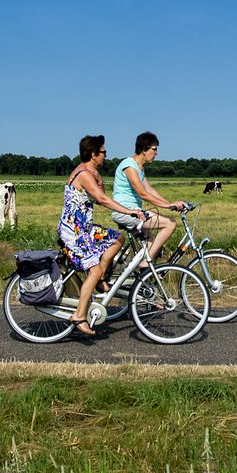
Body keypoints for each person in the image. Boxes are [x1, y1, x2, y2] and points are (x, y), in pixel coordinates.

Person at [61, 135, 147, 336]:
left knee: (118, 238)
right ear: (94, 154)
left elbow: (99, 197)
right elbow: (102, 199)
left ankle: (101, 279)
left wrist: (99, 179)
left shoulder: (90, 172)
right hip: (74, 233)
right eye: (104, 152)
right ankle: (79, 315)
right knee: (94, 270)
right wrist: (129, 211)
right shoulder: (83, 173)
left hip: (84, 229)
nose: (106, 156)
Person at [110, 131, 188, 266]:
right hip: (126, 211)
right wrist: (168, 206)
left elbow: (150, 190)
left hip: (136, 212)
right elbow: (143, 194)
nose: (156, 153)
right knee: (170, 223)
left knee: (152, 248)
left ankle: (140, 280)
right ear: (144, 149)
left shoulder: (140, 168)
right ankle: (144, 265)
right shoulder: (129, 165)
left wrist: (171, 204)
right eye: (154, 149)